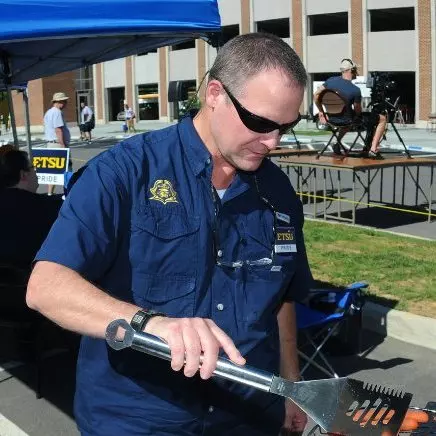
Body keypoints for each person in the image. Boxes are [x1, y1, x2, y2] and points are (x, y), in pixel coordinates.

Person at [27, 33, 313, 436]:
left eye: (287, 126)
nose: (273, 142)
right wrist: (152, 324)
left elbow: (282, 295)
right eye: (261, 122)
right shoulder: (125, 172)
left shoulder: (278, 191)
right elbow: (46, 287)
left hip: (248, 418)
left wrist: (290, 384)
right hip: (140, 417)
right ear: (215, 93)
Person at [0, 145, 62, 268]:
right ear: (23, 175)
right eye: (32, 168)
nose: (35, 171)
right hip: (31, 278)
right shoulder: (46, 208)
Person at [314, 59, 387, 159]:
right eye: (356, 70)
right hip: (347, 120)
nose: (357, 72)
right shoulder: (355, 90)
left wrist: (321, 111)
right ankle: (373, 149)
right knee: (382, 119)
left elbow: (316, 95)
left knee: (347, 120)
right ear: (351, 71)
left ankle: (337, 142)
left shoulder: (330, 81)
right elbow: (358, 111)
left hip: (332, 119)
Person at [43, 92, 71, 195]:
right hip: (58, 144)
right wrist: (63, 145)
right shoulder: (57, 112)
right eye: (65, 101)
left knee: (53, 171)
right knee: (66, 170)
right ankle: (67, 193)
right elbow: (58, 129)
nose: (66, 103)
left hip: (50, 144)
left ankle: (50, 193)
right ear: (60, 102)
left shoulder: (48, 112)